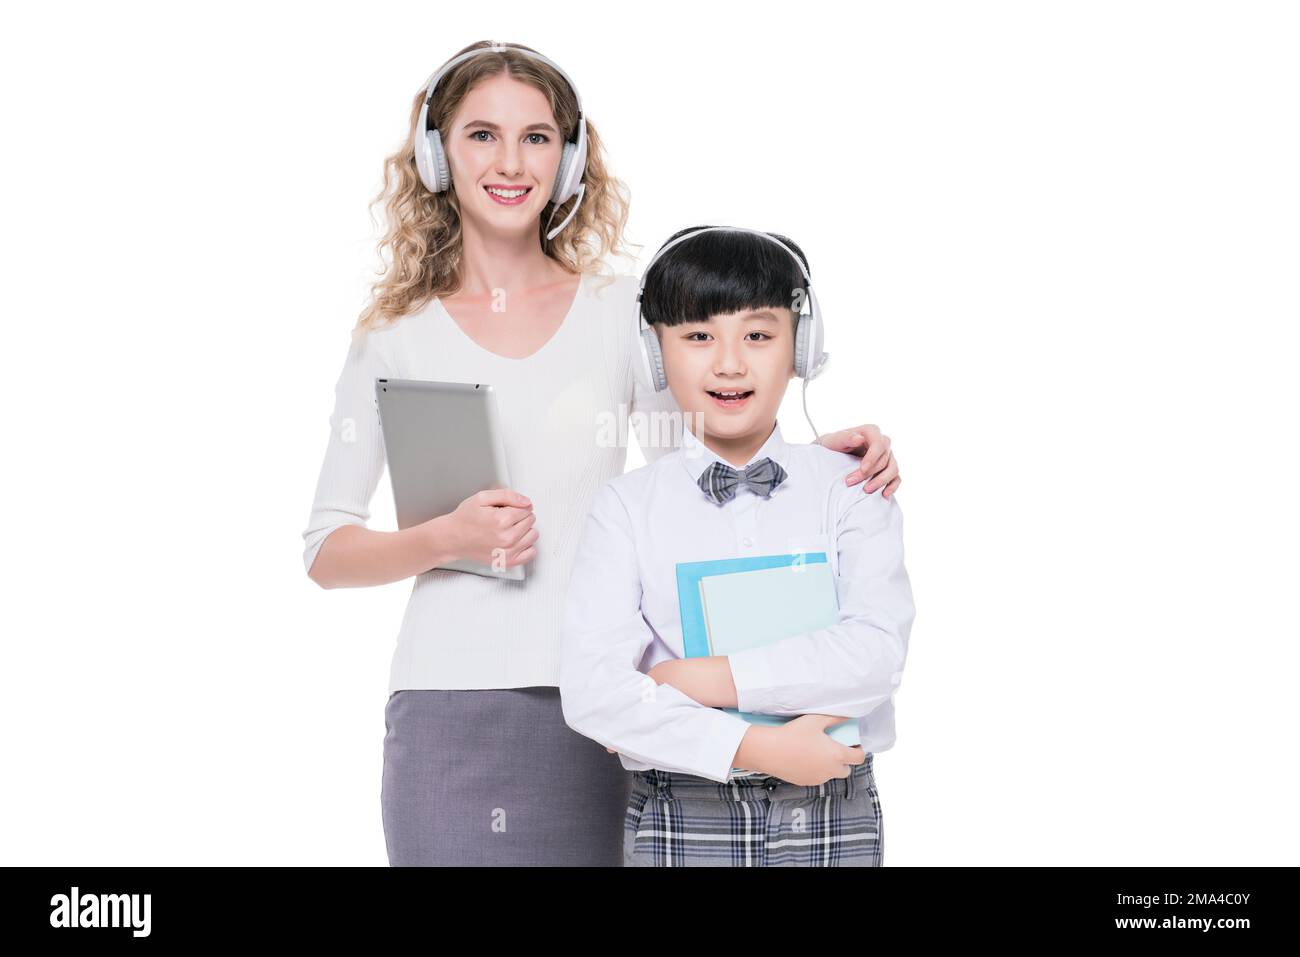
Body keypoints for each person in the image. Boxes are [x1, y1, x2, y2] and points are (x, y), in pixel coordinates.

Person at [301, 41, 903, 867]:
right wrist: (447, 539)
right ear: (439, 155)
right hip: (446, 700)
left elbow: (691, 470)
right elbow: (326, 549)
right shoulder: (392, 337)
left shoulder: (622, 312)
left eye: (537, 137)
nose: (511, 162)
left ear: (571, 157)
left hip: (619, 699)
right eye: (482, 135)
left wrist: (818, 457)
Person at [559, 226, 915, 866]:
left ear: (802, 347)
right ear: (653, 353)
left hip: (834, 810)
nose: (728, 363)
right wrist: (754, 746)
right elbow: (596, 694)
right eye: (698, 336)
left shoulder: (851, 485)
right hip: (682, 811)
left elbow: (874, 657)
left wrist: (689, 680)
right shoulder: (626, 509)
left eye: (759, 334)